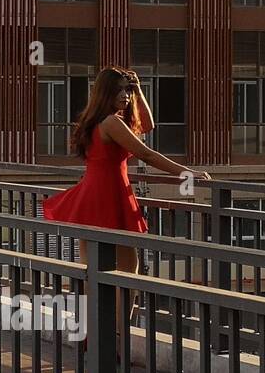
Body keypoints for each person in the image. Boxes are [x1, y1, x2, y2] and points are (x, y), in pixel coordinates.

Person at [43, 68, 210, 344]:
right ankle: (116, 337)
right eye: (120, 90)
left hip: (93, 194)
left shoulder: (96, 120)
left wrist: (138, 89)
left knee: (92, 272)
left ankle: (91, 334)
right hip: (109, 195)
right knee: (128, 268)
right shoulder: (111, 123)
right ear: (106, 93)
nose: (125, 95)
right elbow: (146, 152)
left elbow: (146, 124)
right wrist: (186, 173)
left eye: (126, 91)